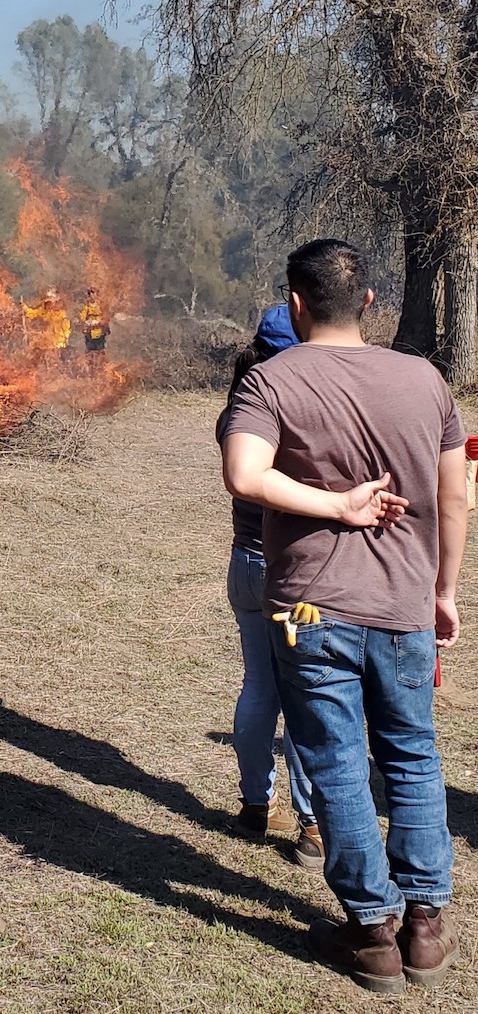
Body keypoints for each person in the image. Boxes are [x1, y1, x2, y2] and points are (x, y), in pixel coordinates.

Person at [221, 239, 467, 995]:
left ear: (295, 303)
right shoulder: (425, 379)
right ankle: (424, 926)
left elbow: (244, 475)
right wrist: (444, 591)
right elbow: (454, 497)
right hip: (404, 607)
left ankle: (372, 933)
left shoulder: (270, 379)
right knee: (413, 756)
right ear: (367, 302)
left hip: (310, 609)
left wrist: (333, 506)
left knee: (335, 763)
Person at [216, 305, 320, 869]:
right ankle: (313, 826)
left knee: (259, 687)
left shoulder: (238, 408)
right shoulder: (302, 409)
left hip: (245, 563)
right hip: (294, 571)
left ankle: (256, 805)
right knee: (307, 692)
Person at [22, 288, 71, 366]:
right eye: (46, 303)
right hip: (48, 337)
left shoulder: (62, 314)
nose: (48, 305)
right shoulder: (45, 311)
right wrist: (24, 308)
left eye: (49, 303)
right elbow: (33, 313)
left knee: (53, 358)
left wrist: (65, 338)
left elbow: (66, 328)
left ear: (54, 303)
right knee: (35, 345)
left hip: (58, 340)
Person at [77, 286, 109, 358]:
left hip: (100, 332)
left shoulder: (101, 306)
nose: (92, 296)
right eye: (90, 295)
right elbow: (82, 318)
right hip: (90, 333)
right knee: (90, 352)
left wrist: (99, 322)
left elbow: (105, 317)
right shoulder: (87, 307)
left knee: (100, 351)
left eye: (94, 294)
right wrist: (87, 322)